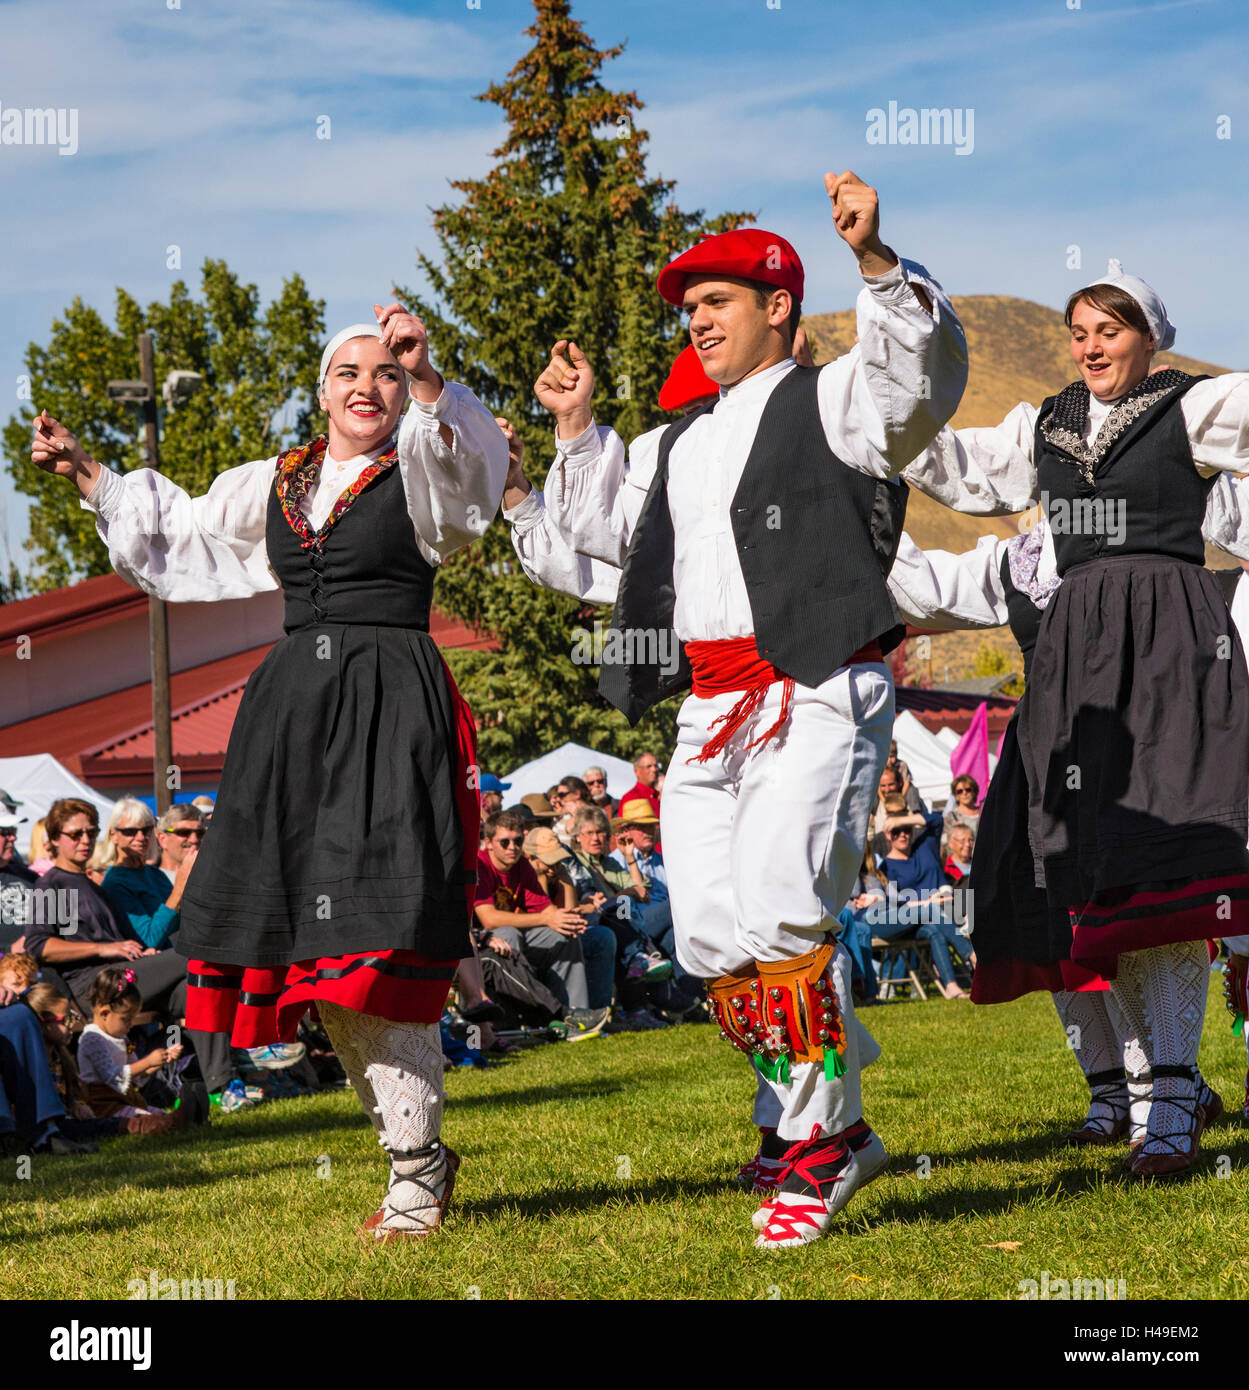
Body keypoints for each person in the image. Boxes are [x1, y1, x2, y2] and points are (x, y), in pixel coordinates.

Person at [512, 170, 1007, 1246]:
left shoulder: (830, 398)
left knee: (786, 905)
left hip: (821, 681)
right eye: (687, 309)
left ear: (777, 305)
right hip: (710, 708)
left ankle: (817, 1146)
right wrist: (575, 422)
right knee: (709, 938)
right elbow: (595, 539)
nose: (694, 320)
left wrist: (875, 261)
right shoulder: (677, 441)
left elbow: (915, 383)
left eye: (715, 302)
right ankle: (837, 1115)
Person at [32, 304, 508, 1235]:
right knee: (318, 958)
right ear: (322, 391)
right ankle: (416, 1158)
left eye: (383, 371)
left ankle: (415, 1171)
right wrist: (92, 473)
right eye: (349, 374)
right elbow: (185, 536)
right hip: (294, 714)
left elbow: (470, 487)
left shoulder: (419, 461)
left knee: (378, 943)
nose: (367, 387)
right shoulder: (281, 479)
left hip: (389, 703)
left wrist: (428, 378)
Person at [890, 324, 1249, 1173]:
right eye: (1075, 332)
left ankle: (1167, 1088)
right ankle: (1130, 1088)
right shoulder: (1015, 561)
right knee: (1081, 910)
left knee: (1168, 891)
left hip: (1169, 710)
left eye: (1108, 328)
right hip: (1061, 732)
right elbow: (922, 576)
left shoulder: (1183, 482)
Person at [19, 798, 244, 1111]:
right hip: (93, 987)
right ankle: (257, 1020)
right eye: (75, 835)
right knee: (192, 951)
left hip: (122, 974)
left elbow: (92, 935)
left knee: (197, 988)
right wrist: (104, 948)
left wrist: (139, 948)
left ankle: (220, 1086)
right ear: (55, 839)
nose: (85, 840)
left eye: (90, 832)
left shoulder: (88, 885)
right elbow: (41, 945)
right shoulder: (55, 885)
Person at [474, 810, 613, 1034]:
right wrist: (547, 917)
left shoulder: (522, 866)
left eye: (518, 840)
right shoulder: (479, 866)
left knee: (566, 935)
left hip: (516, 936)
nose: (513, 847)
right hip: (479, 945)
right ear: (488, 843)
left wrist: (564, 920)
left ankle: (578, 1017)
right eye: (505, 842)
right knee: (508, 934)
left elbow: (548, 911)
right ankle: (520, 1020)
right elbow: (488, 919)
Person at [75, 965, 197, 1131]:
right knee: (143, 1117)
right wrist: (148, 1061)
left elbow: (136, 1074)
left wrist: (161, 1060)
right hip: (103, 1103)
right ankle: (178, 1121)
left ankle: (184, 1119)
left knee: (153, 1112)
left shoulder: (122, 1038)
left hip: (124, 1097)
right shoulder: (92, 1039)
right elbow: (113, 1075)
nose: (131, 1025)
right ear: (104, 1013)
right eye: (126, 1019)